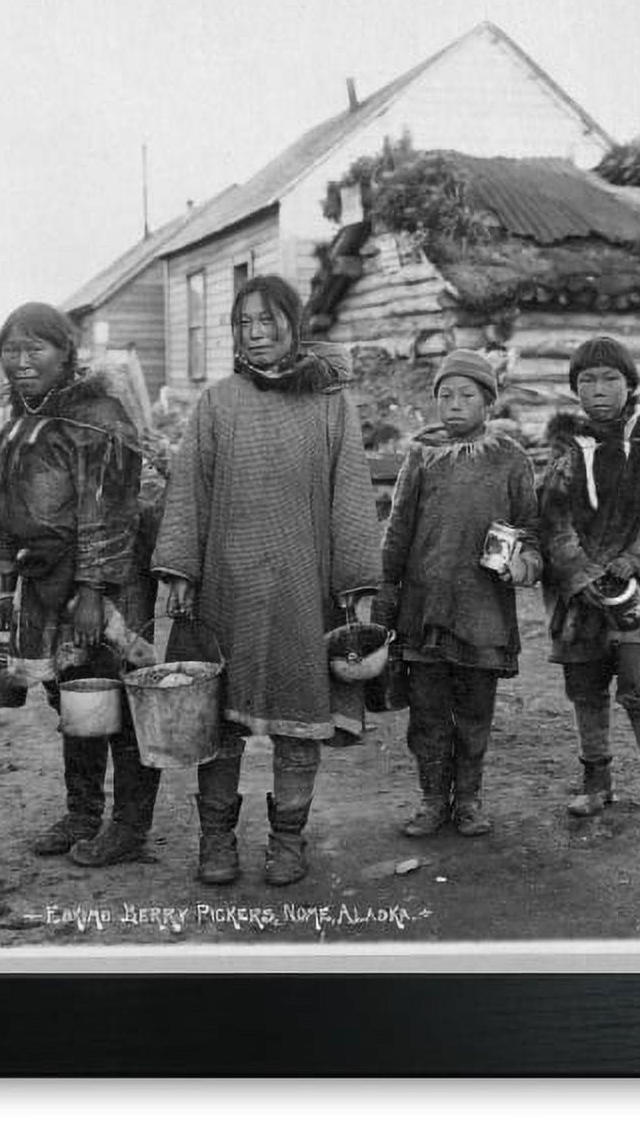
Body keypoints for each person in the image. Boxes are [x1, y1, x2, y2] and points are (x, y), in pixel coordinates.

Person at [152, 275, 381, 887]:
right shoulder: (217, 404)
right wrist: (181, 567)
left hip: (302, 591)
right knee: (219, 723)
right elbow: (189, 490)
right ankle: (216, 841)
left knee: (298, 719)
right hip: (226, 589)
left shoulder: (330, 404)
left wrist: (357, 581)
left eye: (267, 320)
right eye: (243, 323)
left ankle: (287, 841)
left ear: (293, 325)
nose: (255, 333)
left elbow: (351, 495)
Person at [0, 302, 162, 867]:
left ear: (65, 352)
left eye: (35, 347)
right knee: (73, 697)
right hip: (45, 582)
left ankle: (129, 827)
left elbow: (110, 510)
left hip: (105, 585)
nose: (21, 360)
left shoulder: (99, 417)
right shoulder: (22, 419)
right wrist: (5, 587)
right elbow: (9, 507)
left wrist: (92, 592)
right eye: (11, 348)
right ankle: (82, 814)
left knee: (120, 699)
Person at [376, 349, 541, 839]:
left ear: (488, 402)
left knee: (474, 711)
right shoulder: (421, 456)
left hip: (482, 612)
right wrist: (386, 594)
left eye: (466, 395)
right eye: (445, 395)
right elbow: (397, 530)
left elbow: (531, 530)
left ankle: (468, 799)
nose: (454, 404)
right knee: (427, 710)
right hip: (424, 609)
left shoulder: (510, 459)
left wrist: (523, 565)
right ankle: (432, 799)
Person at [538, 335, 640, 840]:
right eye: (587, 380)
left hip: (637, 587)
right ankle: (596, 779)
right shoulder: (566, 449)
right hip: (581, 589)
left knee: (639, 676)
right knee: (584, 681)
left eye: (609, 379)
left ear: (630, 384)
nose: (598, 390)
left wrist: (635, 559)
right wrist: (579, 571)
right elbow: (553, 519)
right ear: (574, 389)